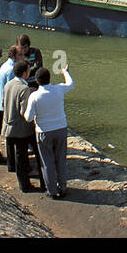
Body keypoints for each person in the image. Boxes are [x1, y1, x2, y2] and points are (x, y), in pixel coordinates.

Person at [24, 66, 74, 200]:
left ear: (36, 80)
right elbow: (70, 84)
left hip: (44, 131)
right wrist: (65, 72)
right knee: (61, 159)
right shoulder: (58, 89)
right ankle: (63, 187)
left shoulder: (34, 96)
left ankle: (52, 190)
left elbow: (28, 117)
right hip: (61, 129)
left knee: (47, 162)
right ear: (49, 78)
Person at [2, 60, 43, 193]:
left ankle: (24, 183)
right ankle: (26, 185)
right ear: (25, 72)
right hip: (22, 128)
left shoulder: (9, 84)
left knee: (19, 155)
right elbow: (24, 112)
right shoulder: (24, 88)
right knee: (24, 156)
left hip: (9, 124)